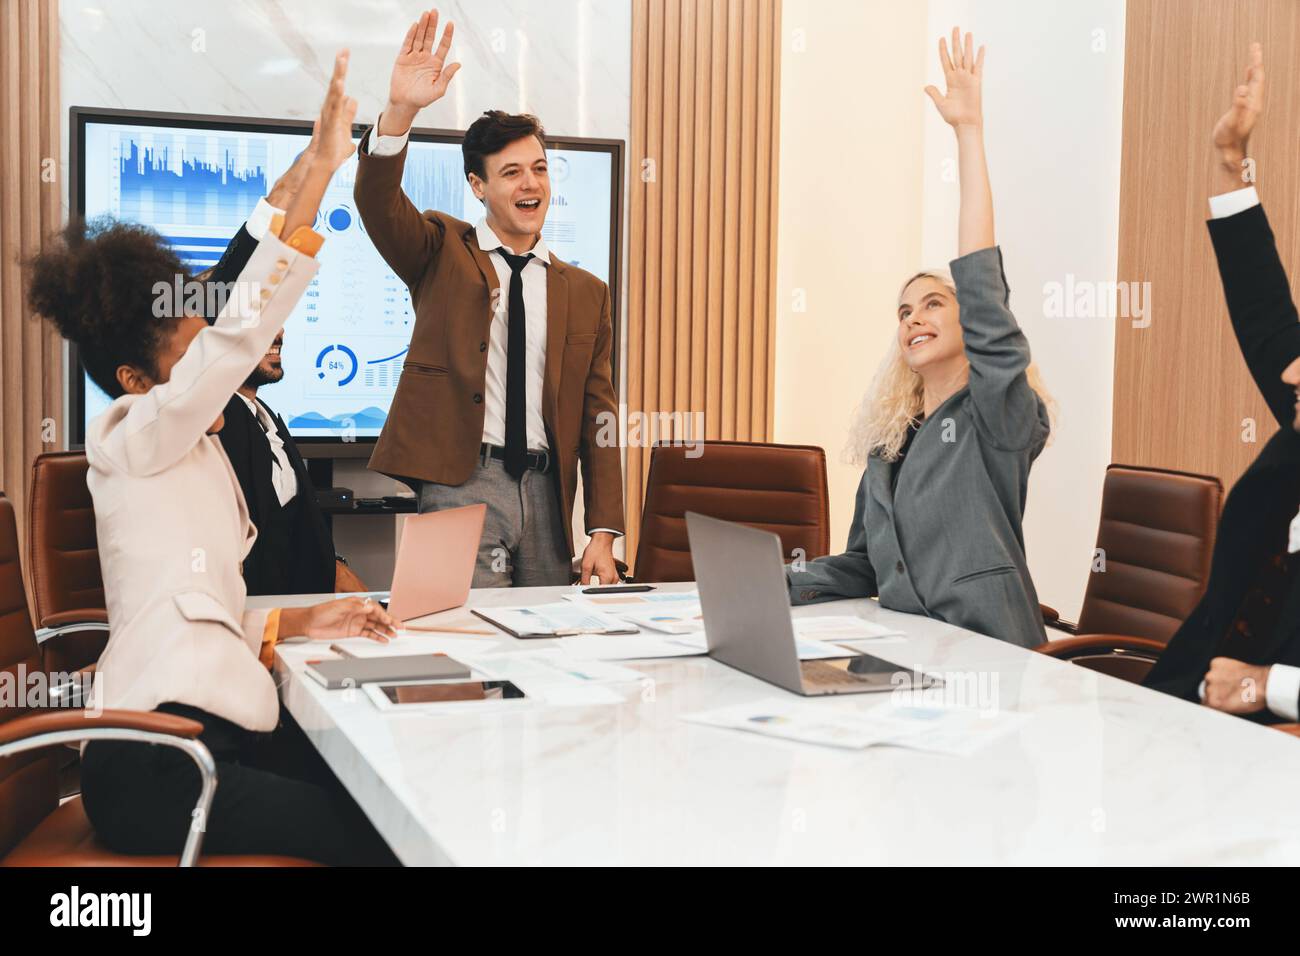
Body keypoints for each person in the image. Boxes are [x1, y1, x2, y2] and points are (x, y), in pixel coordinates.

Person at [26, 53, 401, 865]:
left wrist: (305, 617)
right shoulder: (132, 436)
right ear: (133, 380)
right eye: (193, 352)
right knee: (375, 836)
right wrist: (328, 166)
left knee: (389, 793)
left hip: (207, 741)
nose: (223, 358)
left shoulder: (194, 458)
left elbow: (199, 608)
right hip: (155, 763)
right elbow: (234, 328)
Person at [785, 29, 1054, 649]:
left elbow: (985, 290)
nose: (913, 318)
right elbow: (863, 565)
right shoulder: (893, 436)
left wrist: (968, 134)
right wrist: (772, 582)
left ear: (972, 323)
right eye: (904, 311)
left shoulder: (1001, 416)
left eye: (935, 303)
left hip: (990, 652)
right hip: (906, 644)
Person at [354, 8, 625, 588]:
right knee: (459, 645)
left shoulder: (586, 291)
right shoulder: (441, 251)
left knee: (545, 657)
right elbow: (379, 204)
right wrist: (399, 112)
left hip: (551, 495)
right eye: (510, 173)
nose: (530, 184)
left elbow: (600, 417)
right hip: (462, 483)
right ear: (478, 186)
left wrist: (603, 530)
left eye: (539, 169)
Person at [1143, 44, 1300, 724]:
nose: (1290, 373)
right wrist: (1231, 162)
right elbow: (1267, 316)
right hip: (1178, 714)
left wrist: (1271, 687)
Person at [199, 142, 367, 597]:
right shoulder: (209, 416)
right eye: (259, 320)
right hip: (246, 633)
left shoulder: (269, 420)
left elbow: (300, 532)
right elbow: (237, 272)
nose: (277, 333)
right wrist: (313, 168)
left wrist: (338, 574)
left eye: (279, 319)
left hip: (301, 625)